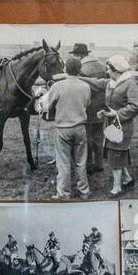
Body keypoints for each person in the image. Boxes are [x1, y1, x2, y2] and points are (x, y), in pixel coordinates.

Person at [35, 56, 93, 199]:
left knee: (63, 162)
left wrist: (41, 98)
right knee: (81, 162)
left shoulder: (58, 86)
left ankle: (63, 193)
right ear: (79, 69)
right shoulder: (85, 86)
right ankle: (84, 191)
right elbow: (88, 103)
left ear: (66, 68)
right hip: (80, 128)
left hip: (63, 128)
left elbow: (46, 106)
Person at [99, 54, 138, 197]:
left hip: (123, 128)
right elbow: (95, 82)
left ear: (116, 70)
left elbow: (135, 106)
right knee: (115, 154)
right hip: (111, 127)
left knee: (116, 155)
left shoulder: (129, 84)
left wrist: (116, 114)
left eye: (109, 70)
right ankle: (128, 180)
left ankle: (117, 188)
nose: (107, 72)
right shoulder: (112, 82)